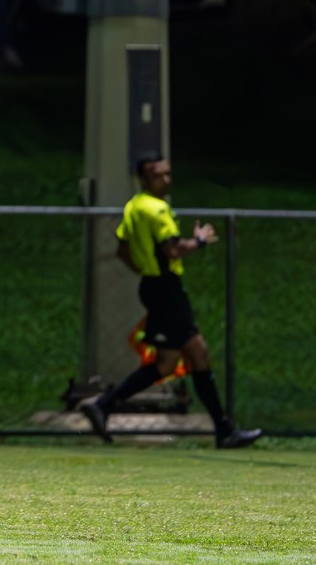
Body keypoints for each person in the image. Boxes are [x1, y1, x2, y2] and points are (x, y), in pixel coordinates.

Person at [80, 157, 262, 449]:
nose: (165, 180)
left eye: (167, 174)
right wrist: (200, 241)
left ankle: (103, 404)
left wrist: (146, 271)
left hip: (152, 286)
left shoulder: (134, 206)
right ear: (143, 178)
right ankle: (223, 430)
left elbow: (123, 250)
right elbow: (174, 248)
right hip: (166, 289)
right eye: (157, 175)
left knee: (167, 364)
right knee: (197, 353)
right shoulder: (157, 209)